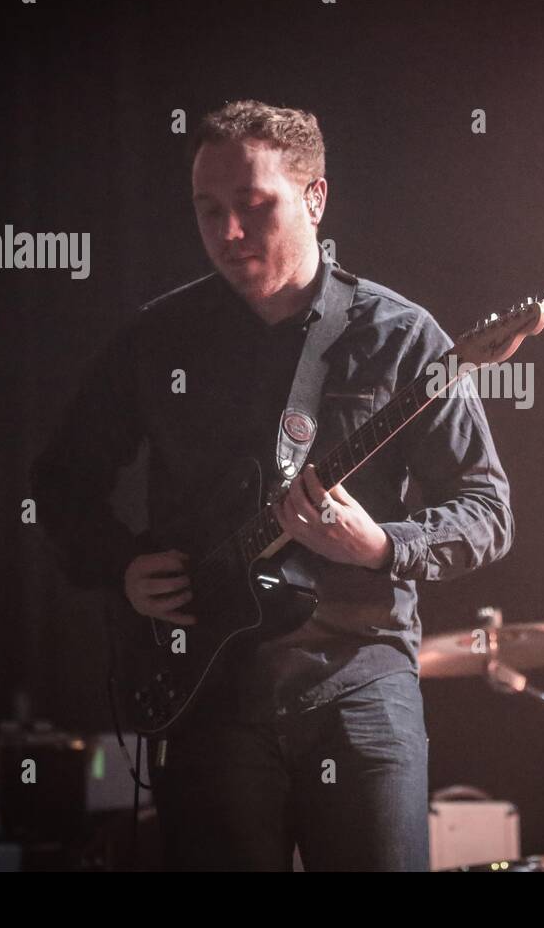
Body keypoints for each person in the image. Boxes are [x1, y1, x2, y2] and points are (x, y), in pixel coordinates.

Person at [32, 101, 514, 871]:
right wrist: (121, 567)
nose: (227, 232)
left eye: (254, 207)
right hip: (207, 690)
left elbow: (487, 511)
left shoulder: (405, 338)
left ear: (316, 199)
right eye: (209, 210)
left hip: (361, 679)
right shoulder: (158, 340)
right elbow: (58, 486)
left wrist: (386, 543)